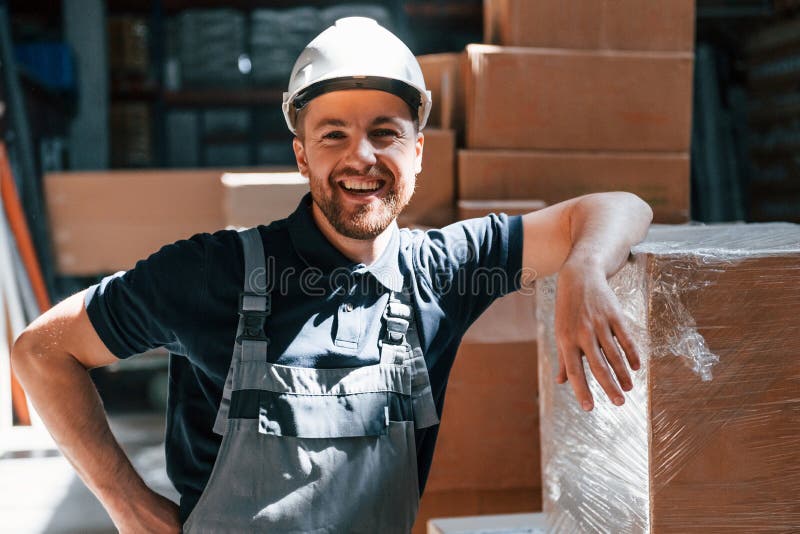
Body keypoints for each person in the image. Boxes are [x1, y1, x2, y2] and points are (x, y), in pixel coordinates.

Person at [12, 17, 652, 534]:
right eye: (333, 134)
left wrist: (585, 270)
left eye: (385, 132)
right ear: (301, 154)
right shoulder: (214, 273)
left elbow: (619, 207)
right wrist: (127, 503)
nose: (361, 157)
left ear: (418, 151)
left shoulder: (443, 271)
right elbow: (41, 350)